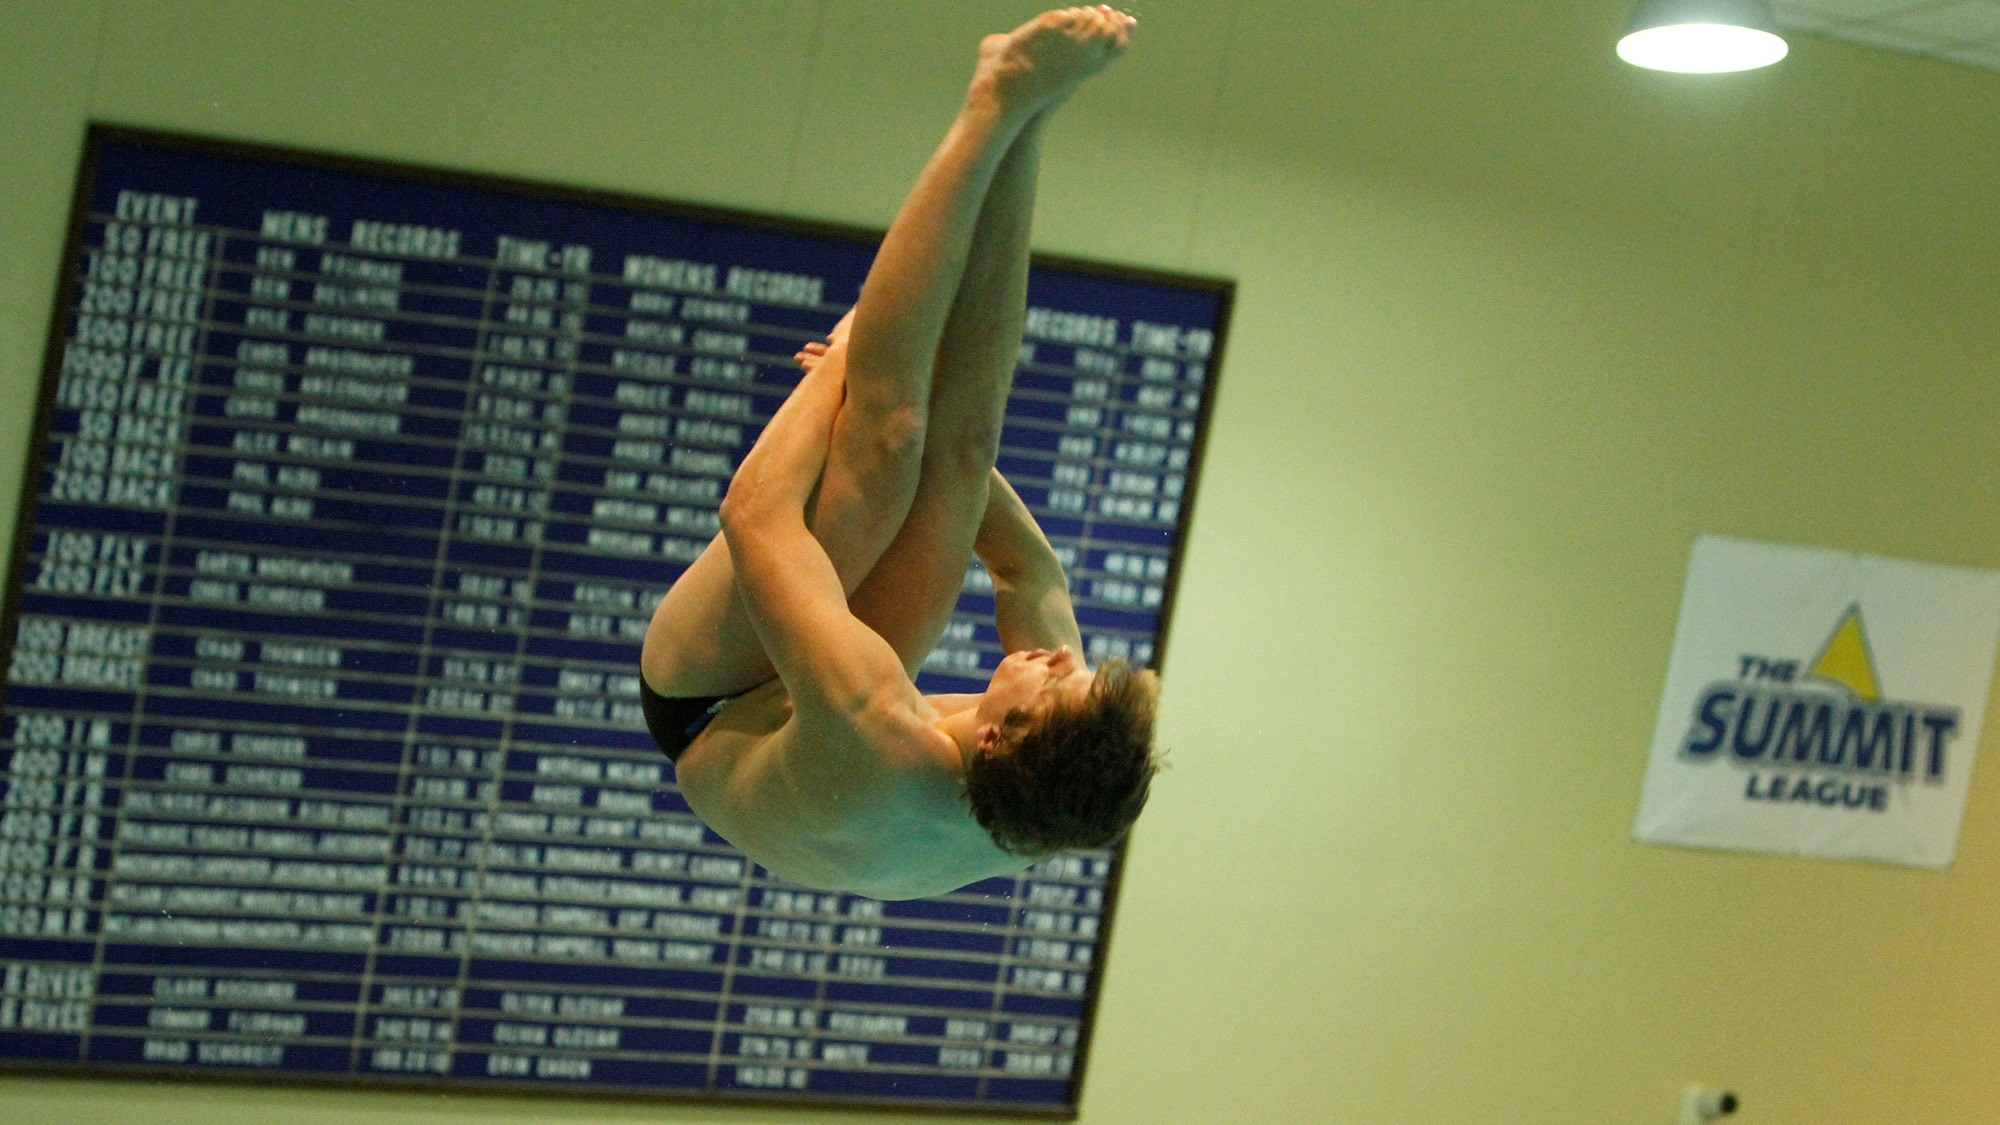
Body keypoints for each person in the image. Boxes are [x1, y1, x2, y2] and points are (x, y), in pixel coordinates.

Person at [640, 6, 1160, 900]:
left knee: (885, 448)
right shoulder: (1053, 795)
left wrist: (840, 368)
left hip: (713, 705)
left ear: (998, 739)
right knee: (958, 453)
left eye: (1055, 680)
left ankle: (994, 100)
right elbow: (1028, 573)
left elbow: (755, 515)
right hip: (815, 712)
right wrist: (953, 458)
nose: (1060, 659)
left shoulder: (881, 733)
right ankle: (1032, 114)